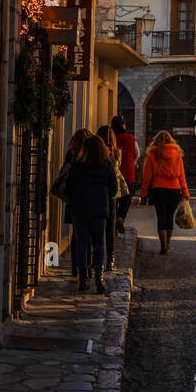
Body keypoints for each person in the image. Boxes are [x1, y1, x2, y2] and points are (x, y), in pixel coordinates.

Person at [64, 135, 118, 294]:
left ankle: (83, 279)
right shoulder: (107, 166)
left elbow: (69, 188)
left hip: (80, 209)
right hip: (99, 209)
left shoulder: (78, 166)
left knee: (82, 243)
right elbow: (114, 190)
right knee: (99, 243)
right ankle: (99, 278)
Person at [140, 130, 190, 255]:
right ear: (171, 140)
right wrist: (185, 193)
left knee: (161, 217)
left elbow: (147, 177)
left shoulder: (152, 155)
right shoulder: (177, 154)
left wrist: (143, 193)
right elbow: (181, 176)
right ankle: (168, 243)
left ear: (156, 140)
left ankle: (163, 245)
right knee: (169, 217)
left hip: (159, 190)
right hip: (174, 190)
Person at [53, 128, 92, 282]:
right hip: (87, 199)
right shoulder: (91, 155)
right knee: (86, 236)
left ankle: (76, 267)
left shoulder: (71, 153)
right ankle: (86, 267)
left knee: (76, 234)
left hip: (73, 198)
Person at [97, 125, 127, 272]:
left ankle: (97, 260)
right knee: (110, 228)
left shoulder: (96, 153)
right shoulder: (116, 153)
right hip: (112, 193)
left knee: (97, 228)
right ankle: (111, 258)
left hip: (98, 192)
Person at [111, 114, 140, 233]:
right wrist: (133, 162)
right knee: (126, 199)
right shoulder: (130, 138)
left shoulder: (111, 138)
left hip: (113, 172)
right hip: (128, 172)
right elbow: (137, 154)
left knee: (114, 199)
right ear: (123, 126)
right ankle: (120, 218)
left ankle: (113, 222)